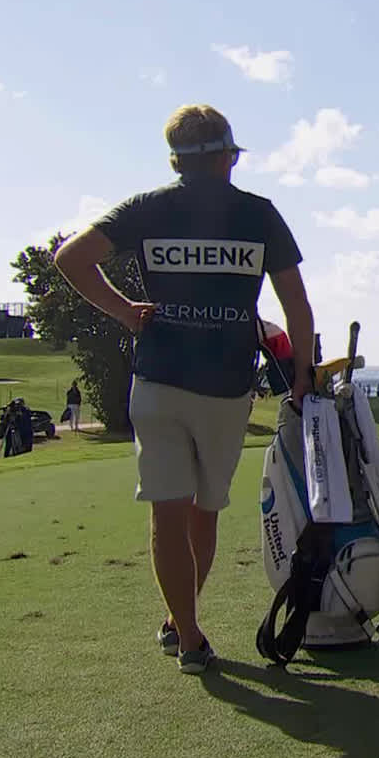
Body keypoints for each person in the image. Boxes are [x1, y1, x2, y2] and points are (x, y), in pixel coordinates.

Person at [54, 103, 315, 675]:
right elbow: (296, 304)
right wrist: (302, 373)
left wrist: (125, 312)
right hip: (224, 389)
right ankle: (188, 631)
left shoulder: (148, 208)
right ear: (226, 157)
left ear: (177, 159)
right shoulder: (259, 214)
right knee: (204, 513)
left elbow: (71, 258)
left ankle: (185, 630)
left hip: (158, 381)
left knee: (166, 513)